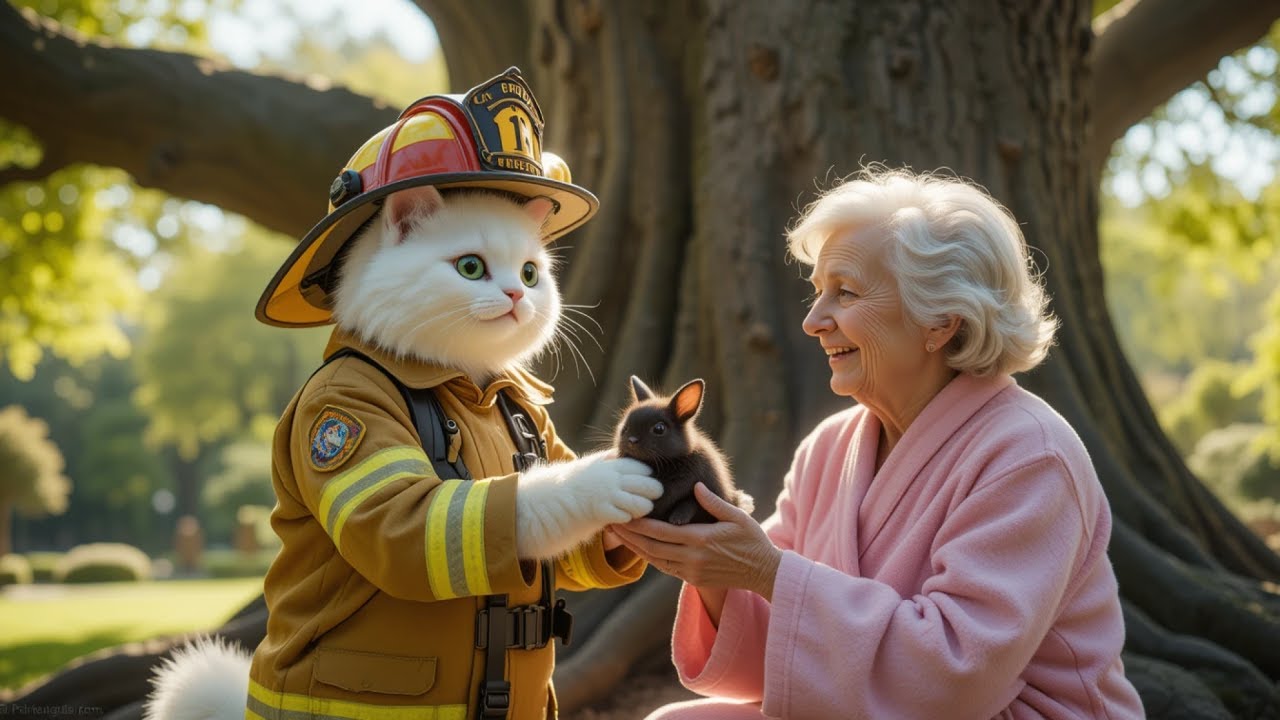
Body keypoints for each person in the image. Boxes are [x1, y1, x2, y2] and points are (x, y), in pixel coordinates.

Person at [612, 167, 1146, 719]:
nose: (814, 321)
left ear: (939, 321)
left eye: (845, 293)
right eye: (818, 292)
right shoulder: (828, 448)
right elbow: (774, 647)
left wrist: (767, 572)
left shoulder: (1030, 456)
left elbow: (954, 673)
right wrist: (711, 565)